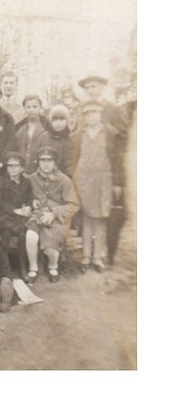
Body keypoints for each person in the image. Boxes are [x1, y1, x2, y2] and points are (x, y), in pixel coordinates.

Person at [71, 100, 124, 273]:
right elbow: (74, 160)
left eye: (95, 112)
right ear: (83, 116)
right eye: (87, 113)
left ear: (101, 113)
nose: (91, 116)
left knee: (100, 219)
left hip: (104, 180)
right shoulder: (78, 135)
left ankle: (97, 257)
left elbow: (117, 160)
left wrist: (117, 182)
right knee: (87, 218)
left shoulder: (110, 133)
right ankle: (86, 256)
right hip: (84, 180)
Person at [24, 147, 80, 283]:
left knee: (52, 241)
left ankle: (53, 267)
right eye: (42, 160)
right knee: (31, 236)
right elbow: (23, 195)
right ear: (37, 162)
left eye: (49, 160)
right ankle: (33, 269)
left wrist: (54, 213)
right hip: (37, 215)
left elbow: (73, 205)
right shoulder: (31, 179)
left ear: (55, 163)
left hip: (57, 218)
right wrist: (31, 201)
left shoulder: (64, 180)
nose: (46, 164)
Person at [0, 152, 33, 278]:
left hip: (21, 217)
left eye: (15, 166)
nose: (12, 169)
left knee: (22, 234)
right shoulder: (1, 182)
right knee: (6, 234)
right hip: (3, 215)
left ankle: (22, 267)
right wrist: (14, 210)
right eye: (9, 166)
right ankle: (2, 268)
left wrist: (28, 206)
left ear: (22, 168)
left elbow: (29, 198)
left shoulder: (26, 182)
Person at [15, 94, 51, 173]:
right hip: (21, 170)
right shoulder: (19, 128)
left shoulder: (47, 128)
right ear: (24, 108)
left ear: (40, 107)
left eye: (35, 107)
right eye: (28, 107)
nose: (31, 110)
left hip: (40, 170)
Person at [33, 104, 73, 175]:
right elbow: (36, 158)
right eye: (55, 119)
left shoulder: (70, 139)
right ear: (51, 121)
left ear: (67, 121)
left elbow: (70, 163)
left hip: (63, 179)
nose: (58, 123)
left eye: (61, 119)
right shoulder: (43, 137)